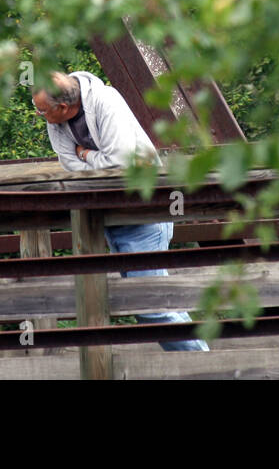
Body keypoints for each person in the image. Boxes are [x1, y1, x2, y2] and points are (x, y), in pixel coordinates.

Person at [32, 69, 209, 351]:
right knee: (157, 303)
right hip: (109, 218)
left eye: (41, 111)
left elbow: (120, 165)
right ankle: (204, 363)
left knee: (151, 307)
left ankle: (207, 368)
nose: (38, 116)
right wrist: (95, 161)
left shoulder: (106, 101)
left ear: (63, 107)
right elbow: (69, 165)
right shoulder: (55, 122)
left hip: (143, 213)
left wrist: (85, 153)